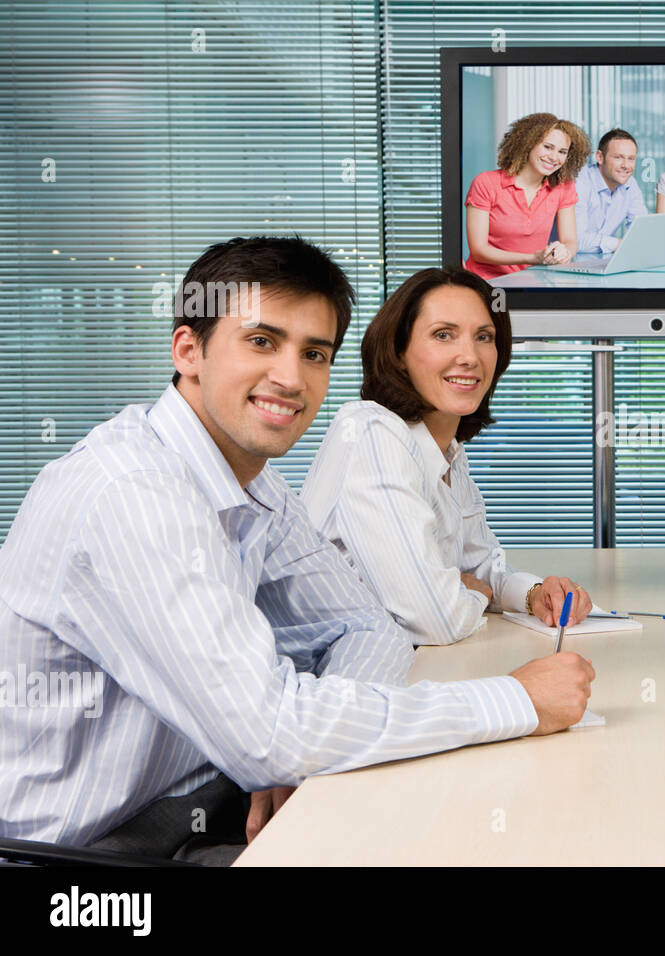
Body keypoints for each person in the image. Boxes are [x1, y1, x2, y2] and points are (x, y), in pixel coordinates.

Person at [0, 237, 594, 862]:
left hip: (203, 799)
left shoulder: (253, 483)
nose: (290, 377)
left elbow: (370, 628)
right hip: (79, 857)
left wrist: (306, 746)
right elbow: (270, 732)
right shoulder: (135, 494)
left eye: (314, 353)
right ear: (188, 350)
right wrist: (515, 700)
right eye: (261, 341)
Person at [302, 267, 595, 643]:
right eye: (443, 335)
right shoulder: (372, 432)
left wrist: (534, 594)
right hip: (335, 683)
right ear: (399, 351)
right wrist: (475, 593)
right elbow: (438, 619)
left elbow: (482, 565)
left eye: (484, 337)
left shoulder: (449, 455)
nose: (469, 356)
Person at [463, 112, 590, 281]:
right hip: (486, 282)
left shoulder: (563, 187)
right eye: (547, 147)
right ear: (528, 143)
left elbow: (570, 241)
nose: (554, 158)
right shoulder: (486, 183)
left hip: (533, 280)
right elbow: (479, 251)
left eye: (562, 152)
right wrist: (533, 258)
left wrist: (563, 251)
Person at [573, 128, 648, 254]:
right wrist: (622, 244)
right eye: (618, 157)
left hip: (597, 261)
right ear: (600, 157)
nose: (626, 165)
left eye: (631, 159)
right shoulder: (579, 181)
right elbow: (575, 240)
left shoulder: (630, 184)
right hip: (557, 264)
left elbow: (642, 230)